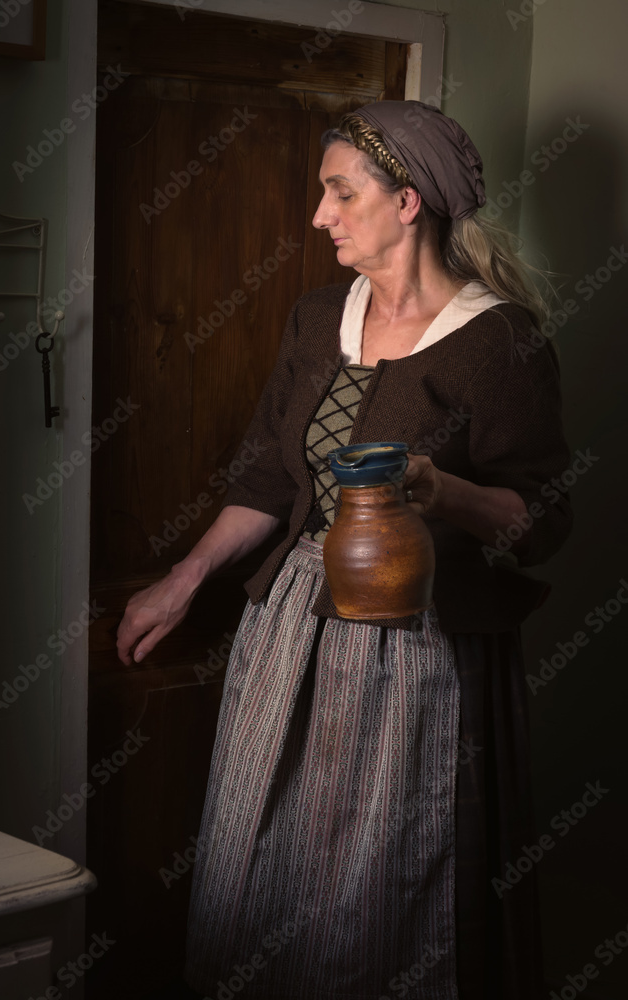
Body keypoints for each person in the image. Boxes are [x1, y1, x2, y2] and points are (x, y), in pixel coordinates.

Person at [117, 100, 573, 1000]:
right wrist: (185, 576)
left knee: (375, 888)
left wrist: (443, 491)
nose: (319, 216)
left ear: (406, 201)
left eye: (339, 193)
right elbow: (265, 479)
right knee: (258, 862)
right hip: (289, 632)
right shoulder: (318, 315)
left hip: (415, 650)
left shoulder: (500, 342)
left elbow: (545, 520)